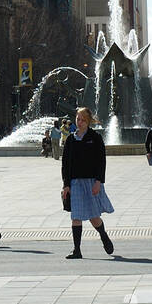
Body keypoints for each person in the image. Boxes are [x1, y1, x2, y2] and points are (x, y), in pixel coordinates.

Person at [60, 107, 114, 259]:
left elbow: (101, 161)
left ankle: (103, 236)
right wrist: (66, 185)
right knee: (75, 216)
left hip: (91, 182)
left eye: (83, 120)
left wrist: (99, 181)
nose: (80, 122)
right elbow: (65, 164)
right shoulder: (71, 139)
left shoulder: (95, 137)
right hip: (75, 182)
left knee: (93, 217)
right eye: (78, 119)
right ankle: (77, 250)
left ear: (88, 121)